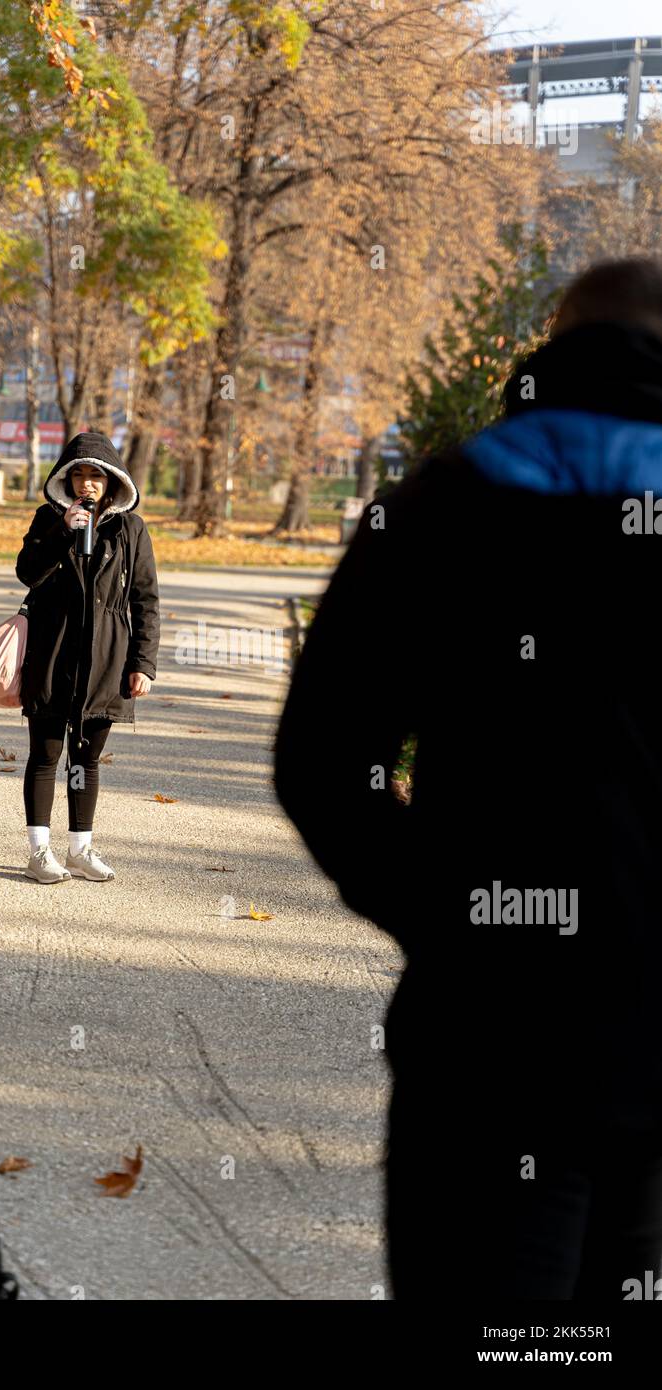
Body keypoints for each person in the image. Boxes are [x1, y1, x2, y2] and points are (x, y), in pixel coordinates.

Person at [273, 256, 662, 1299]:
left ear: (553, 346)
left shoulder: (439, 505)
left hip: (486, 1050)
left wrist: (446, 916)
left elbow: (320, 759)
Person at [15, 431, 160, 884]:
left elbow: (145, 600)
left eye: (95, 475)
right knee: (45, 753)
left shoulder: (131, 530)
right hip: (52, 653)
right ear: (66, 478)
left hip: (106, 661)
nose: (86, 484)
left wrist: (144, 663)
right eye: (78, 474)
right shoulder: (48, 520)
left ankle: (80, 849)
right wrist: (63, 532)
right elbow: (27, 573)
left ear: (112, 481)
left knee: (86, 758)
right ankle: (40, 852)